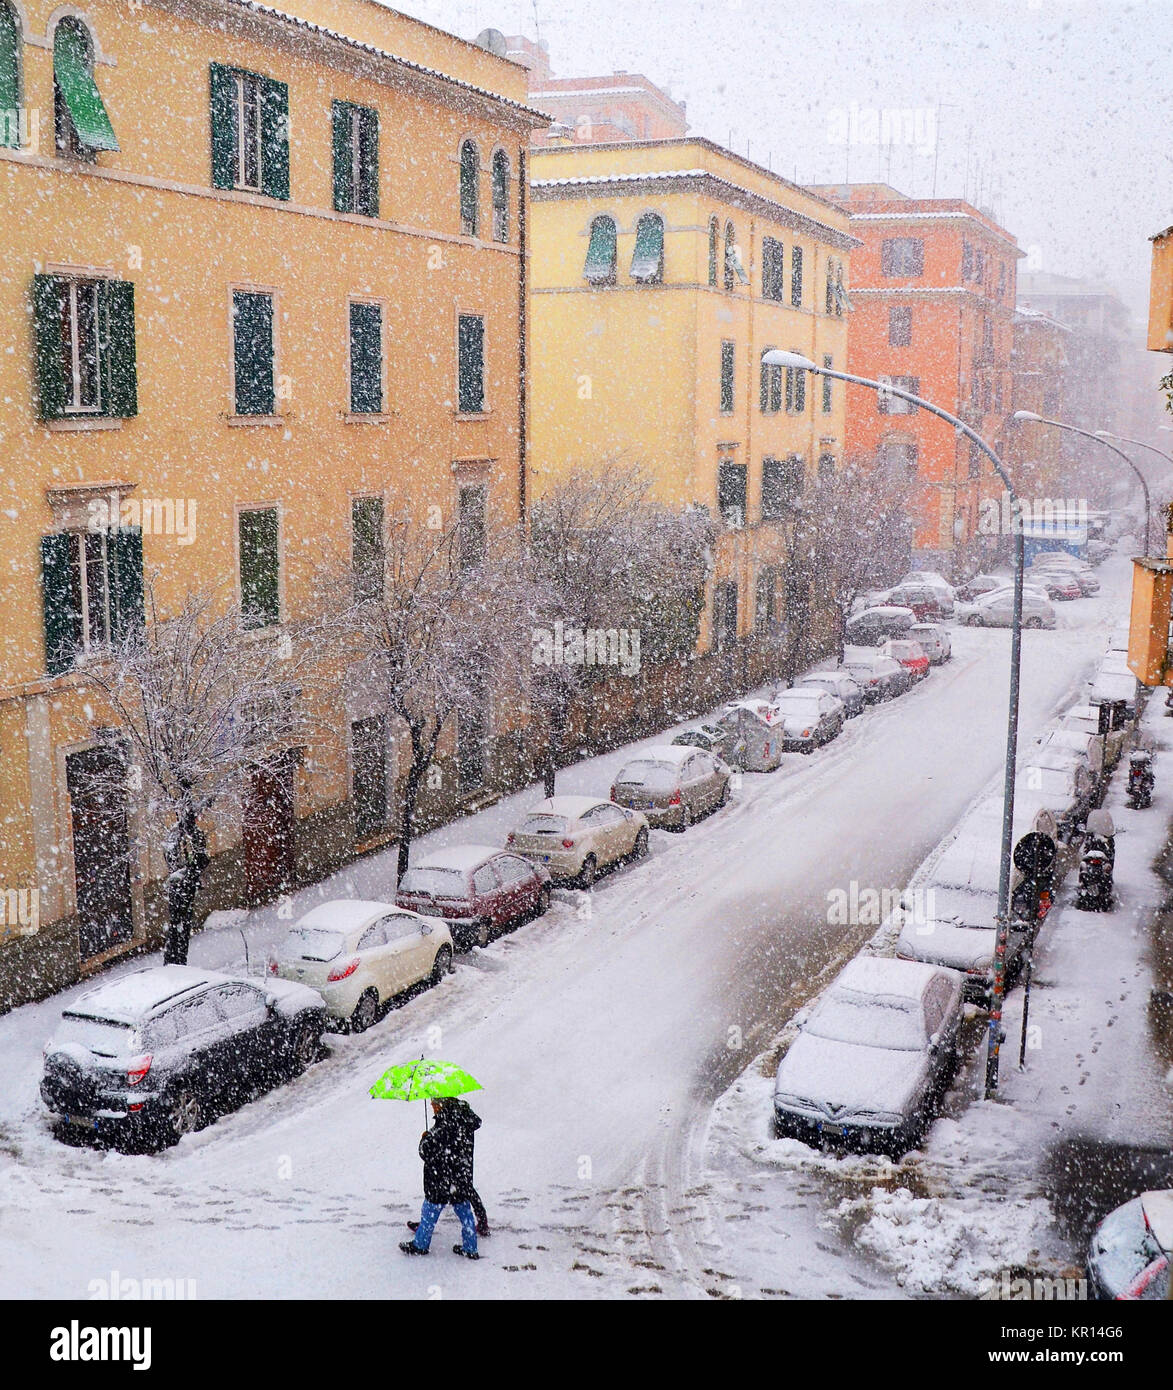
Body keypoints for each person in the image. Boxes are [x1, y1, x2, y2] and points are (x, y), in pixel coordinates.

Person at [400, 1098, 481, 1259]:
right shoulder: (464, 1119)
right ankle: (470, 1247)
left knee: (430, 1210)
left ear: (442, 1104)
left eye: (434, 1103)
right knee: (465, 1212)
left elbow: (427, 1152)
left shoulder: (444, 1125)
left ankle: (420, 1244)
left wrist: (425, 1138)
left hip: (441, 1177)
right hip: (461, 1175)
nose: (432, 1106)